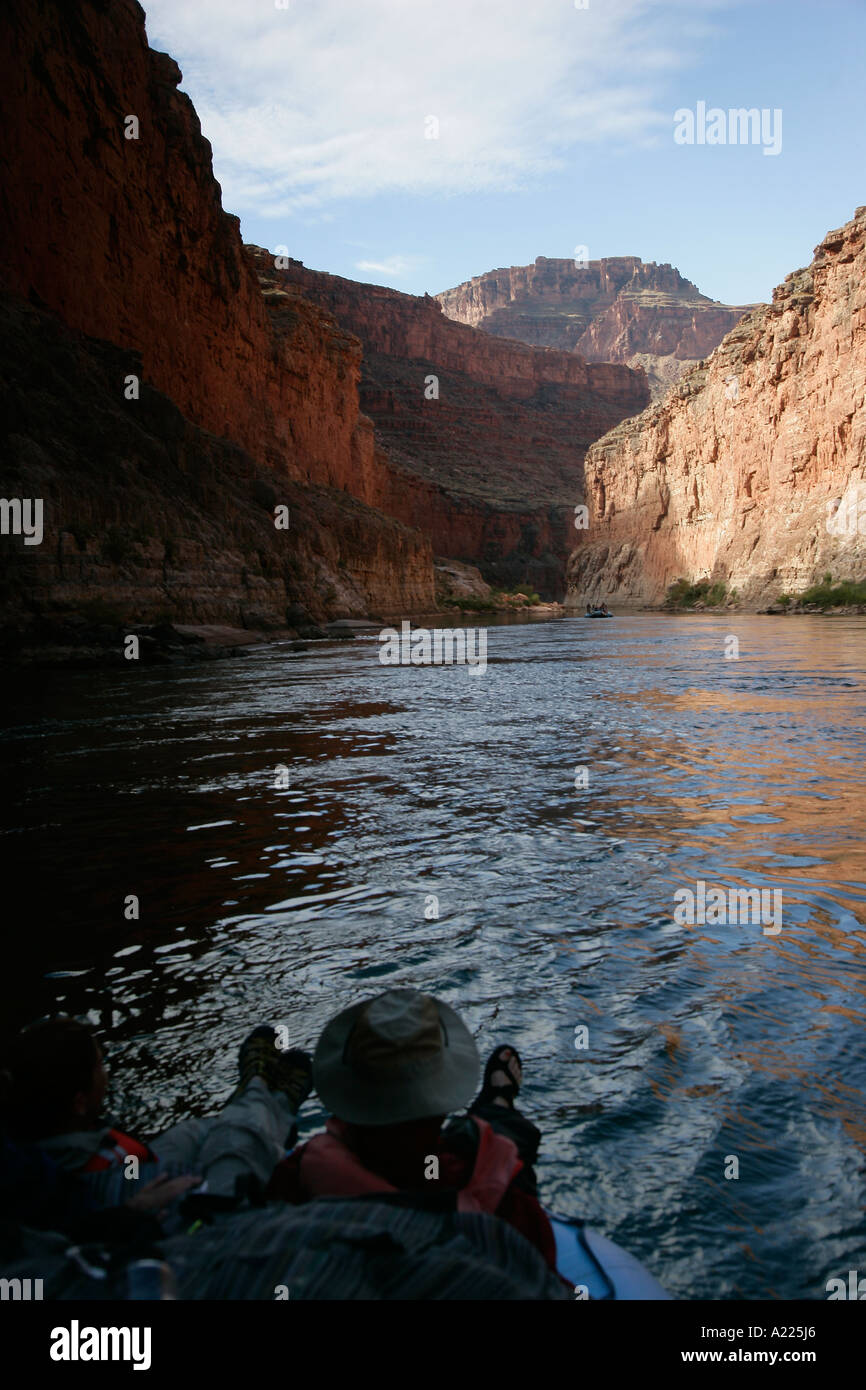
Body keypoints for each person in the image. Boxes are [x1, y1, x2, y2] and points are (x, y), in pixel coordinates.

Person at [266, 988, 559, 1272]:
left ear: (348, 1096)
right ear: (442, 1102)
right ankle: (498, 1104)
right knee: (501, 1150)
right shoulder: (509, 1209)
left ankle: (497, 1107)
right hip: (444, 1180)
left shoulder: (294, 1180)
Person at [2, 1017, 312, 1201]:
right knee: (239, 1137)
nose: (106, 1073)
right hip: (162, 1199)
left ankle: (253, 1098)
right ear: (80, 1102)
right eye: (100, 1066)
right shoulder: (78, 1180)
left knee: (194, 1131)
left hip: (140, 1165)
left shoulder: (30, 1141)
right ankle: (268, 1095)